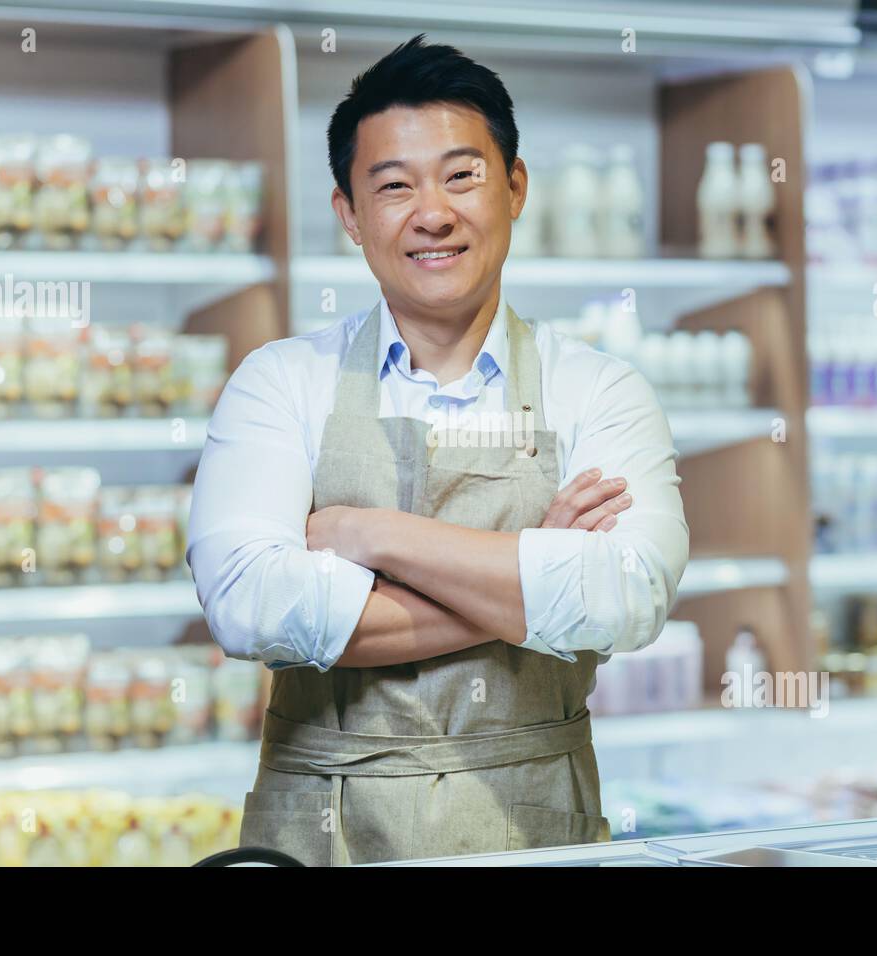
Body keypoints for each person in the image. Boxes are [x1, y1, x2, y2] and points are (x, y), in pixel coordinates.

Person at [186, 34, 689, 866]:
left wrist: (369, 535)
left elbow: (630, 595)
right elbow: (250, 605)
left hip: (536, 838)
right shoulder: (280, 382)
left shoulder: (600, 388)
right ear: (349, 213)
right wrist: (533, 585)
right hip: (319, 836)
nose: (433, 213)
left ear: (516, 186)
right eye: (393, 186)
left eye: (463, 175)